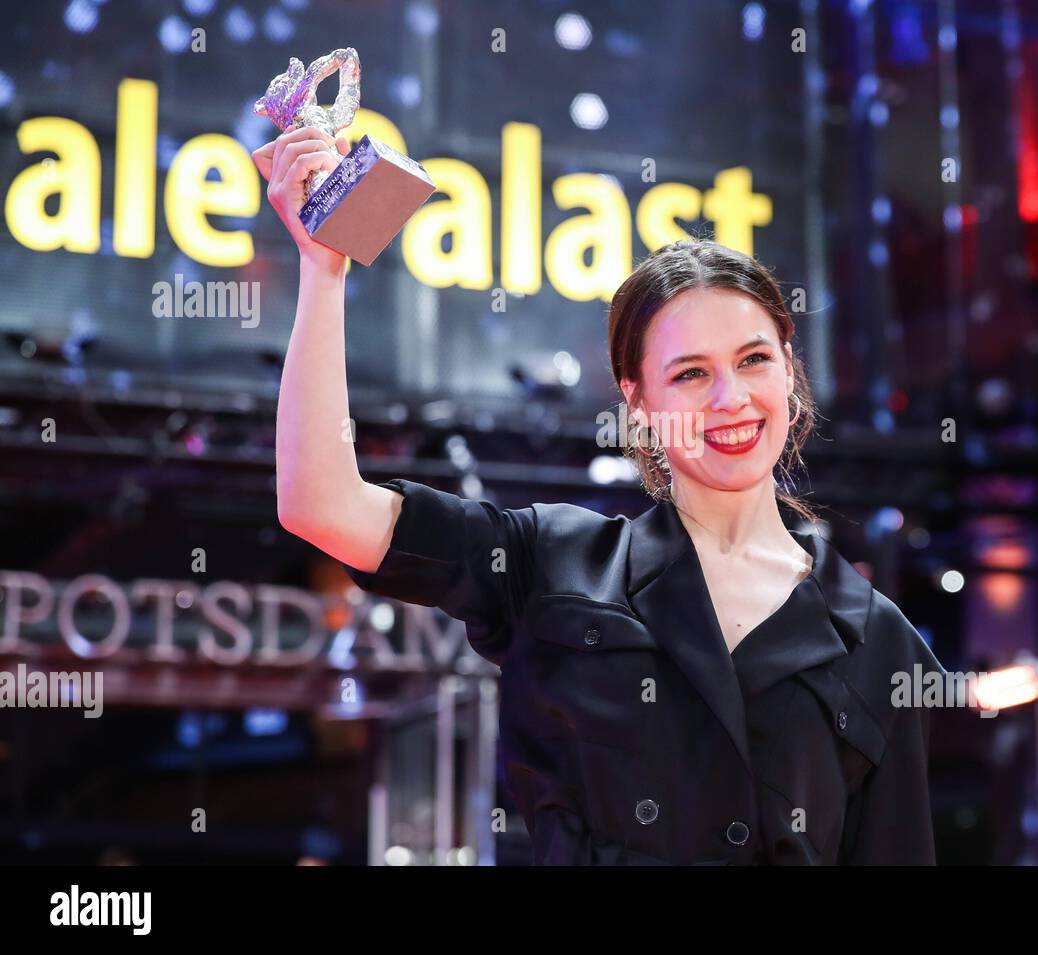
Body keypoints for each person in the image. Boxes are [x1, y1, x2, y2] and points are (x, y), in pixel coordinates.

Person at [255, 127, 946, 865]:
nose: (731, 398)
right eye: (690, 373)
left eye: (753, 360)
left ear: (788, 372)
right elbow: (320, 503)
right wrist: (322, 269)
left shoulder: (882, 641)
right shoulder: (551, 563)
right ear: (638, 400)